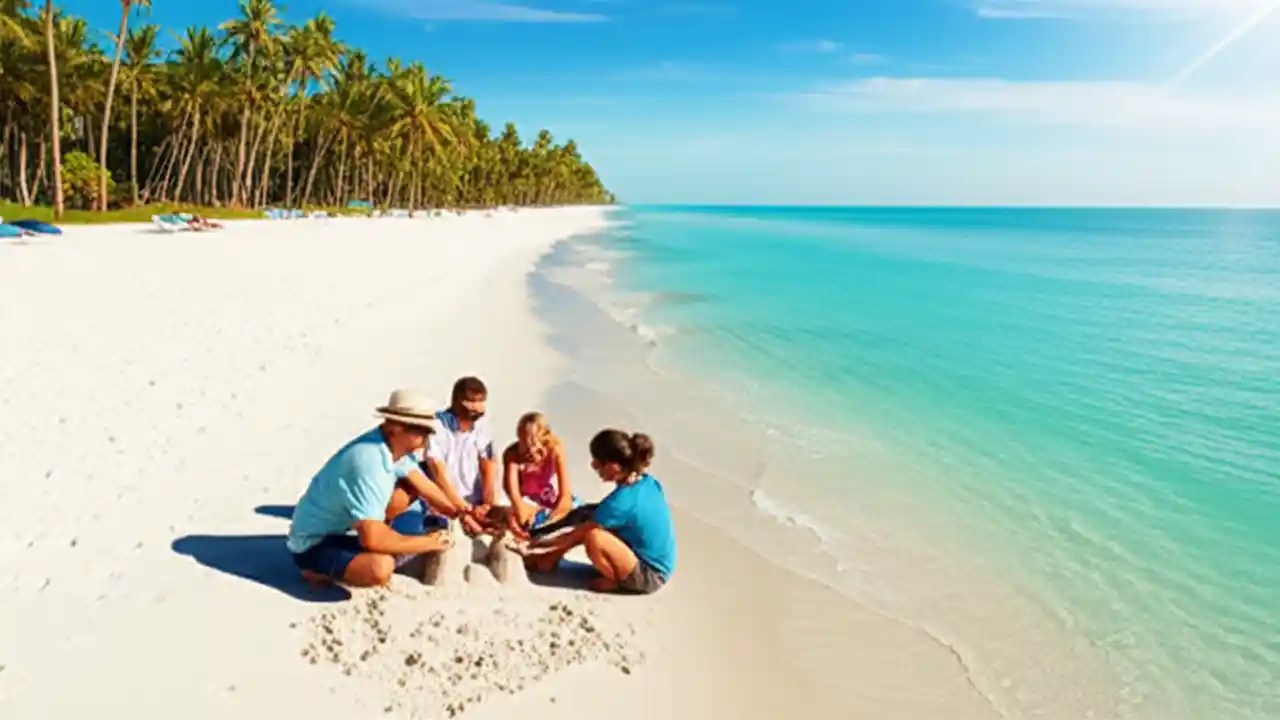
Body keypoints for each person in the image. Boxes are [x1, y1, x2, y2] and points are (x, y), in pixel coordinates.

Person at [286, 389, 461, 587]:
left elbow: (423, 484)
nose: (425, 441)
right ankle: (315, 570)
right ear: (396, 428)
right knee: (380, 567)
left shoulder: (393, 446)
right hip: (315, 542)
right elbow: (372, 539)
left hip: (345, 527)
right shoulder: (370, 463)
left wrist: (460, 512)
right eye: (420, 432)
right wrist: (431, 543)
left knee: (407, 489)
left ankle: (374, 540)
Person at [517, 429, 675, 594]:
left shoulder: (621, 501)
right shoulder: (647, 482)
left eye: (598, 462)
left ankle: (618, 582)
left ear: (614, 465)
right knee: (588, 513)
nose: (593, 466)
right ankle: (543, 545)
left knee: (593, 536)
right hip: (655, 559)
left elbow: (578, 534)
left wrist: (541, 552)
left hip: (650, 574)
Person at [422, 377, 497, 536]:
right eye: (472, 402)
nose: (476, 408)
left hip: (475, 504)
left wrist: (488, 504)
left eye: (480, 402)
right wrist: (463, 509)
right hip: (444, 504)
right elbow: (437, 473)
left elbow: (488, 464)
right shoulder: (437, 425)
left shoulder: (482, 424)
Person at [501, 412, 575, 569]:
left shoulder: (556, 449)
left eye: (531, 442)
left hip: (554, 504)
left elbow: (565, 496)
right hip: (529, 506)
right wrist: (522, 518)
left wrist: (551, 523)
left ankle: (547, 553)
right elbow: (514, 494)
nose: (526, 449)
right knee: (509, 517)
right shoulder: (512, 454)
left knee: (577, 517)